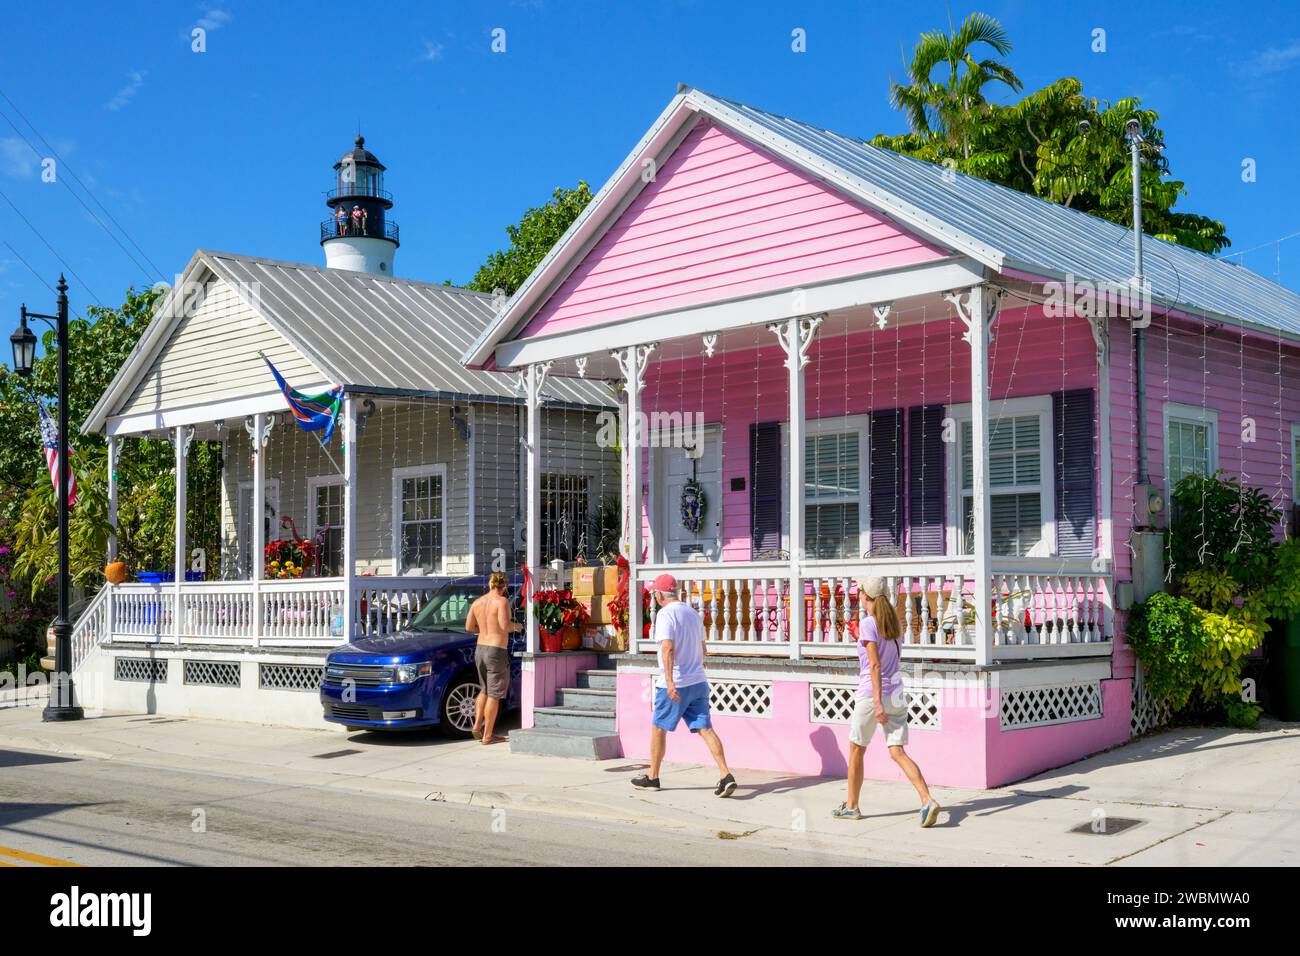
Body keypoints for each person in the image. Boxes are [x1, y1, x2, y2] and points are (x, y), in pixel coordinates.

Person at [834, 576, 941, 826]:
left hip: (874, 695)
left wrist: (877, 703)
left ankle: (851, 806)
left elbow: (874, 664)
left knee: (856, 749)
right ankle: (927, 800)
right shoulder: (894, 625)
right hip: (896, 693)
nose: (858, 595)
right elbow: (883, 656)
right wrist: (859, 638)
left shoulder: (868, 623)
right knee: (898, 752)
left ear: (864, 595)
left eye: (859, 591)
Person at [631, 574, 737, 797]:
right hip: (698, 681)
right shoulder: (692, 614)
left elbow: (667, 648)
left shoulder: (665, 614)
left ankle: (653, 777)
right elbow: (703, 649)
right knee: (706, 729)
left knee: (658, 729)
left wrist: (670, 682)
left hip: (676, 683)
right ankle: (725, 774)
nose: (654, 597)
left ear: (659, 594)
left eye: (654, 593)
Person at [465, 572, 522, 745]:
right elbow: (505, 626)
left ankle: (476, 726)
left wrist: (485, 628)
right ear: (504, 586)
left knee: (484, 690)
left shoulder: (477, 602)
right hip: (496, 650)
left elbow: (468, 627)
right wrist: (518, 626)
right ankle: (488, 735)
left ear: (490, 584)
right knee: (494, 695)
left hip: (480, 648)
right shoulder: (502, 601)